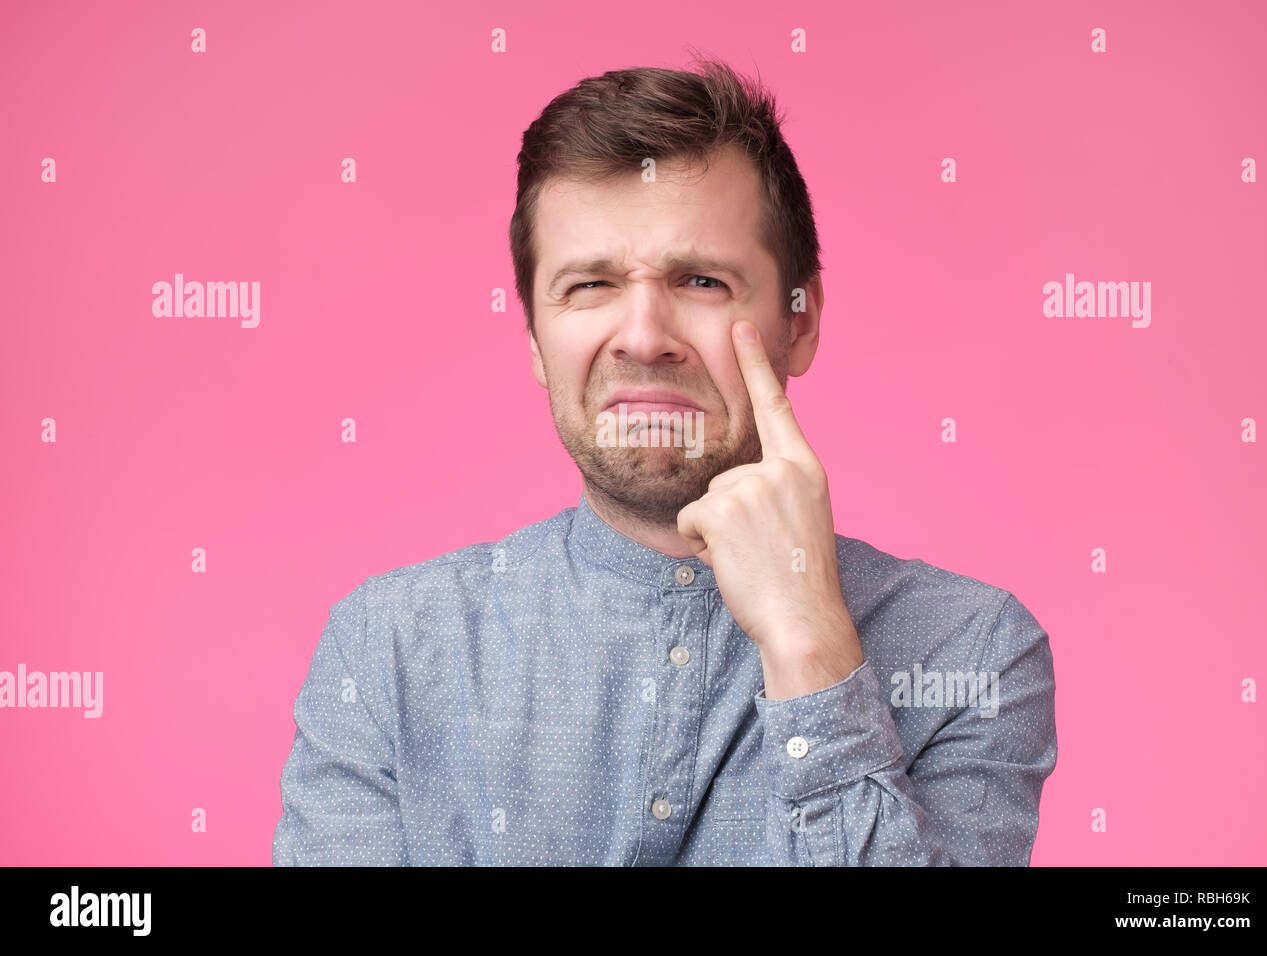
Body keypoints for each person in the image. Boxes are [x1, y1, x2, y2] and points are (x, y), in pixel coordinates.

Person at [272, 56, 1057, 866]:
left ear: (800, 321)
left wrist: (809, 641)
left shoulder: (974, 653)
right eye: (589, 286)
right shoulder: (388, 648)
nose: (643, 336)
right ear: (537, 341)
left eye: (702, 281)